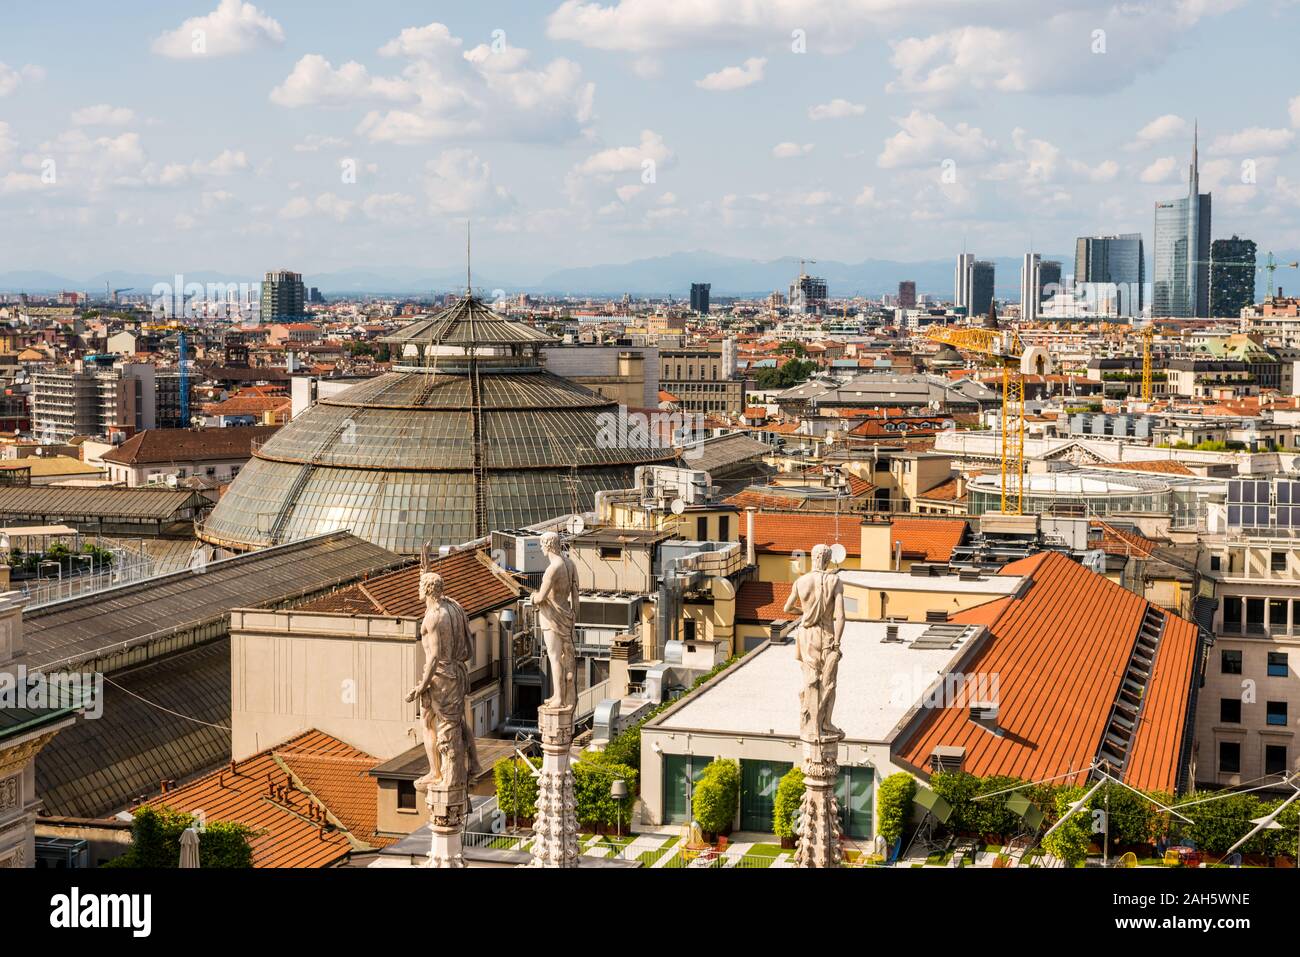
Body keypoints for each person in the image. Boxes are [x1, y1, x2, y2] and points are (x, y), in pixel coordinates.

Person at [406, 552, 481, 792]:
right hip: (456, 673)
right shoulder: (453, 607)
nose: (417, 589)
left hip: (440, 676)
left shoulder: (433, 619)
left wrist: (421, 686)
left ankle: (443, 773)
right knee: (453, 720)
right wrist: (425, 570)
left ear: (426, 590)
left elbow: (435, 656)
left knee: (439, 725)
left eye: (420, 585)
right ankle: (474, 764)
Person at [783, 543, 845, 741]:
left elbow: (787, 608)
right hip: (826, 634)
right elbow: (841, 616)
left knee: (810, 680)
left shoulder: (801, 581)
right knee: (829, 682)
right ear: (827, 560)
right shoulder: (835, 581)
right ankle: (824, 722)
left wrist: (805, 613)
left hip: (806, 634)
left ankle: (811, 721)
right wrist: (837, 642)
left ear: (812, 558)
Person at [534, 530, 579, 711]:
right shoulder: (569, 564)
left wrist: (532, 597)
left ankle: (559, 698)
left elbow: (541, 597)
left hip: (552, 618)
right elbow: (575, 595)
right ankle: (558, 694)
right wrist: (574, 616)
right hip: (566, 615)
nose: (541, 548)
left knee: (554, 657)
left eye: (541, 545)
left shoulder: (552, 569)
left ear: (547, 545)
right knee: (563, 656)